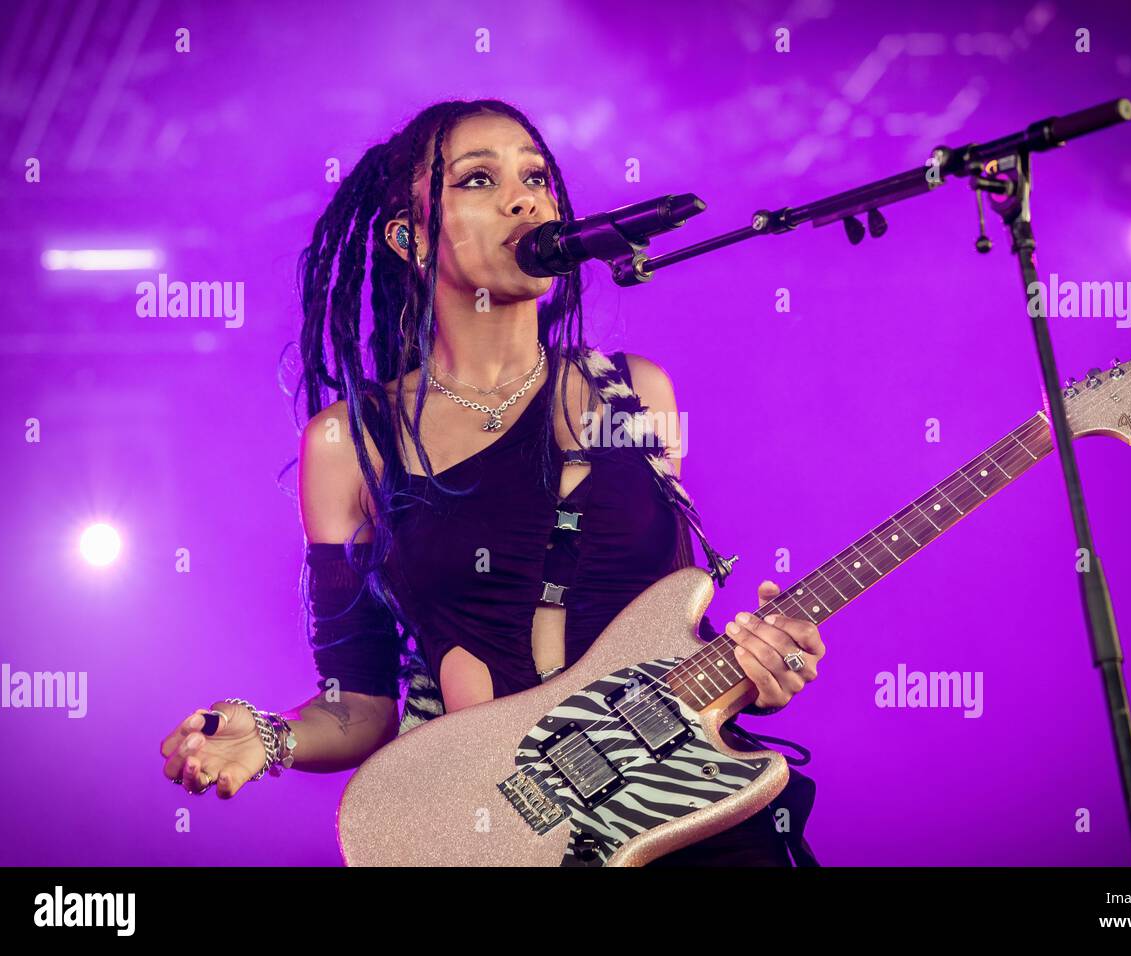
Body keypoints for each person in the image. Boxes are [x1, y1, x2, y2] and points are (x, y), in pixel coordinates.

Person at [158, 98, 825, 866]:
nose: (525, 198)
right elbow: (361, 704)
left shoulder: (638, 394)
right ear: (409, 238)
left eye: (536, 176)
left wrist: (763, 667)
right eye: (479, 178)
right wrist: (271, 736)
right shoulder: (352, 441)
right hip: (513, 837)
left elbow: (666, 635)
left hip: (699, 819)